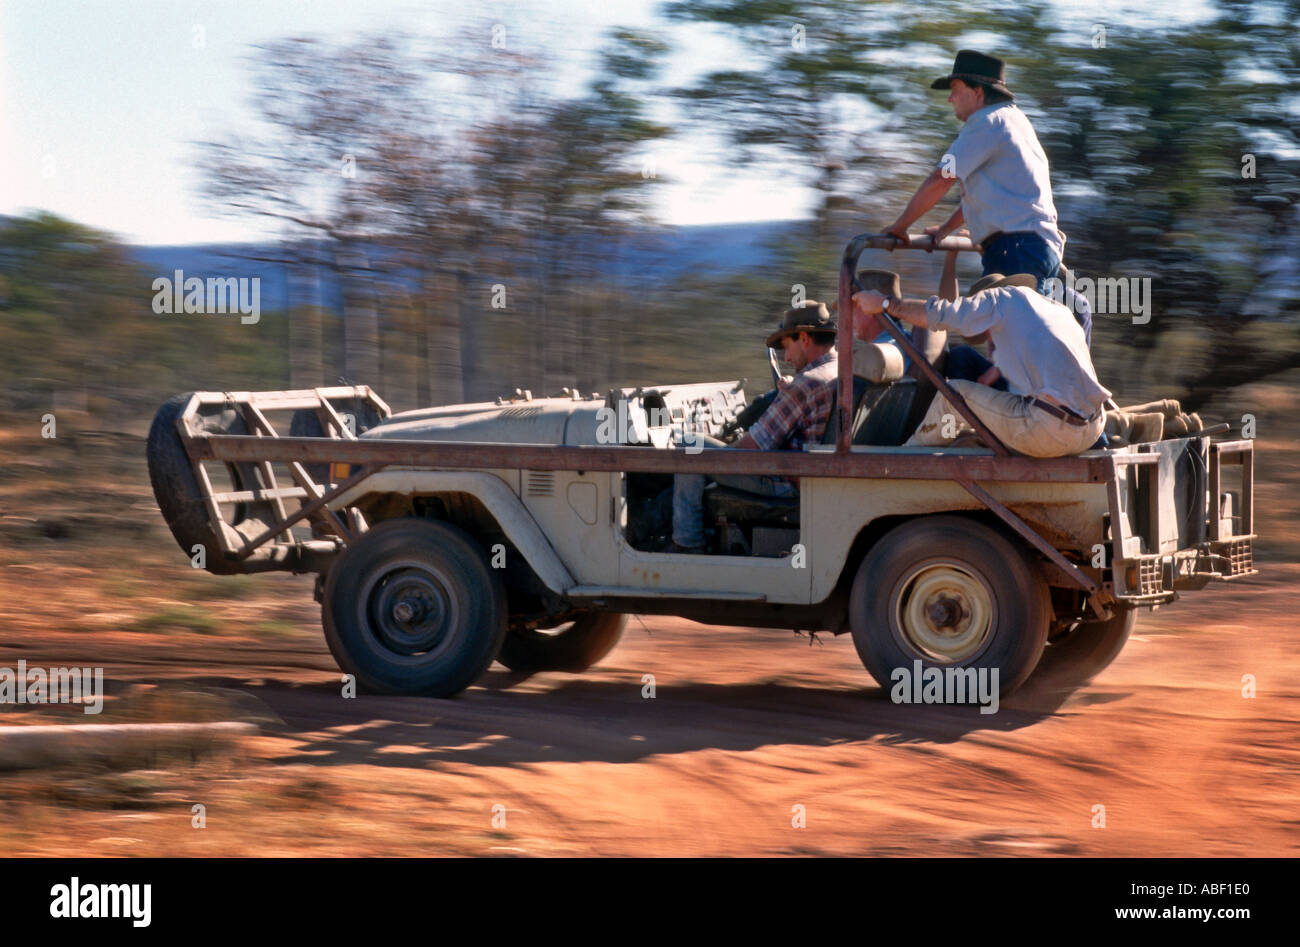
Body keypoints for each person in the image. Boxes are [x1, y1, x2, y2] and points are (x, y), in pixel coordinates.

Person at [882, 50, 1076, 328]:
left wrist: (899, 227)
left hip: (1017, 251)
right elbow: (992, 197)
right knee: (1020, 343)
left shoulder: (985, 123)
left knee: (1019, 343)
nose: (950, 98)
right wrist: (946, 229)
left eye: (955, 89)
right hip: (1032, 247)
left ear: (977, 92)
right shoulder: (1014, 121)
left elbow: (942, 178)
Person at [852, 273, 1110, 458]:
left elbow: (939, 314)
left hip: (1049, 429)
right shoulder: (1052, 312)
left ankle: (904, 462)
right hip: (1092, 429)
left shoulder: (1000, 299)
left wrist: (887, 304)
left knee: (953, 395)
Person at [665, 301, 838, 553]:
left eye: (787, 348)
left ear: (804, 338)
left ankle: (687, 545)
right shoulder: (838, 369)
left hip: (785, 482)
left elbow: (749, 450)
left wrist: (721, 453)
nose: (787, 358)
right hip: (813, 476)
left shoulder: (806, 384)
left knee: (688, 445)